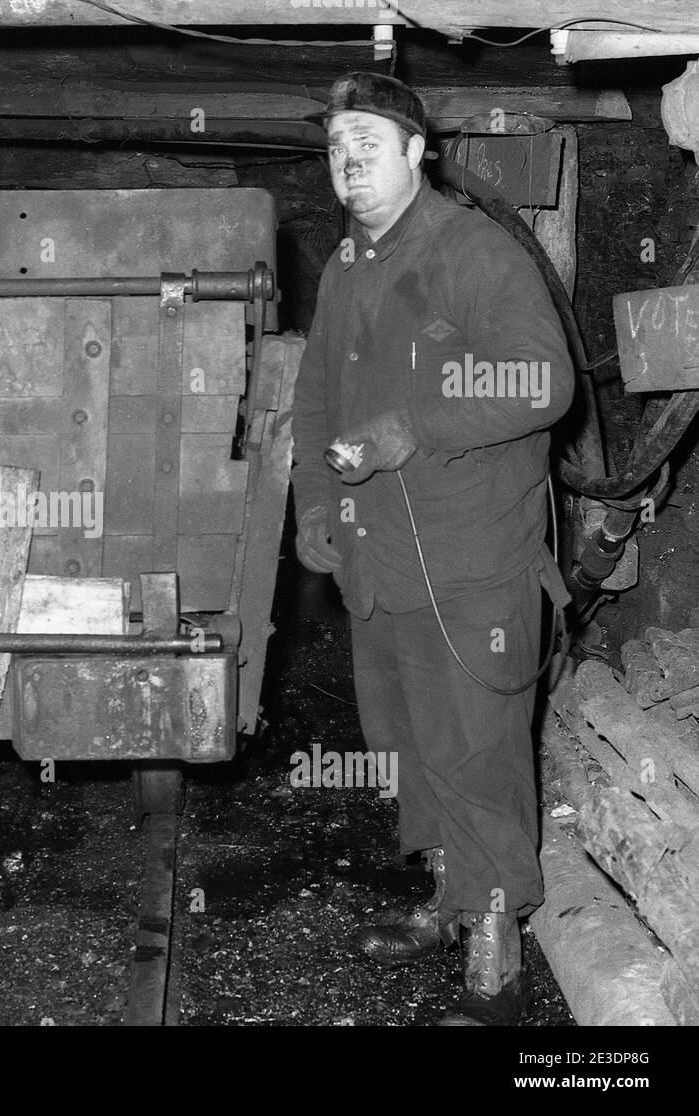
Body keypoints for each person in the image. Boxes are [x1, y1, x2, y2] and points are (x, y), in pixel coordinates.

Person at [290, 72, 573, 1025]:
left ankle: (495, 969)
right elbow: (318, 402)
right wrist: (319, 507)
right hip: (382, 563)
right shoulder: (347, 267)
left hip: (469, 562)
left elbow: (542, 381)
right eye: (337, 147)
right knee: (405, 746)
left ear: (419, 151)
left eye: (369, 141)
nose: (350, 162)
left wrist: (413, 425)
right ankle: (451, 902)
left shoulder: (472, 252)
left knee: (476, 753)